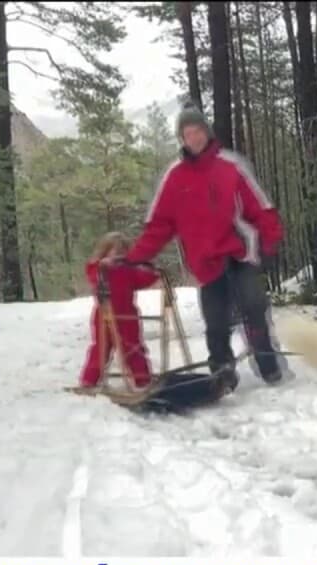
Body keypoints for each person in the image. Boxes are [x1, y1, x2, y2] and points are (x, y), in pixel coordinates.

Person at [116, 106, 288, 391]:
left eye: (197, 131)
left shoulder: (230, 167)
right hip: (206, 262)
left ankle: (269, 366)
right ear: (181, 139)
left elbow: (260, 206)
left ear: (206, 133)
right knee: (216, 322)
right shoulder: (175, 178)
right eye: (187, 134)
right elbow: (159, 225)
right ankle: (222, 375)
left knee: (254, 309)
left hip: (239, 253)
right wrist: (136, 257)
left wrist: (270, 239)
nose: (193, 138)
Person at [79, 232, 158, 390]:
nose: (119, 256)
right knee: (100, 349)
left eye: (123, 252)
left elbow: (143, 278)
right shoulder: (98, 269)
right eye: (116, 251)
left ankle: (142, 380)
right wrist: (102, 264)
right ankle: (89, 381)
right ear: (105, 252)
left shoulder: (128, 270)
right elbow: (93, 275)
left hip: (127, 316)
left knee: (133, 348)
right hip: (104, 316)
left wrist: (150, 270)